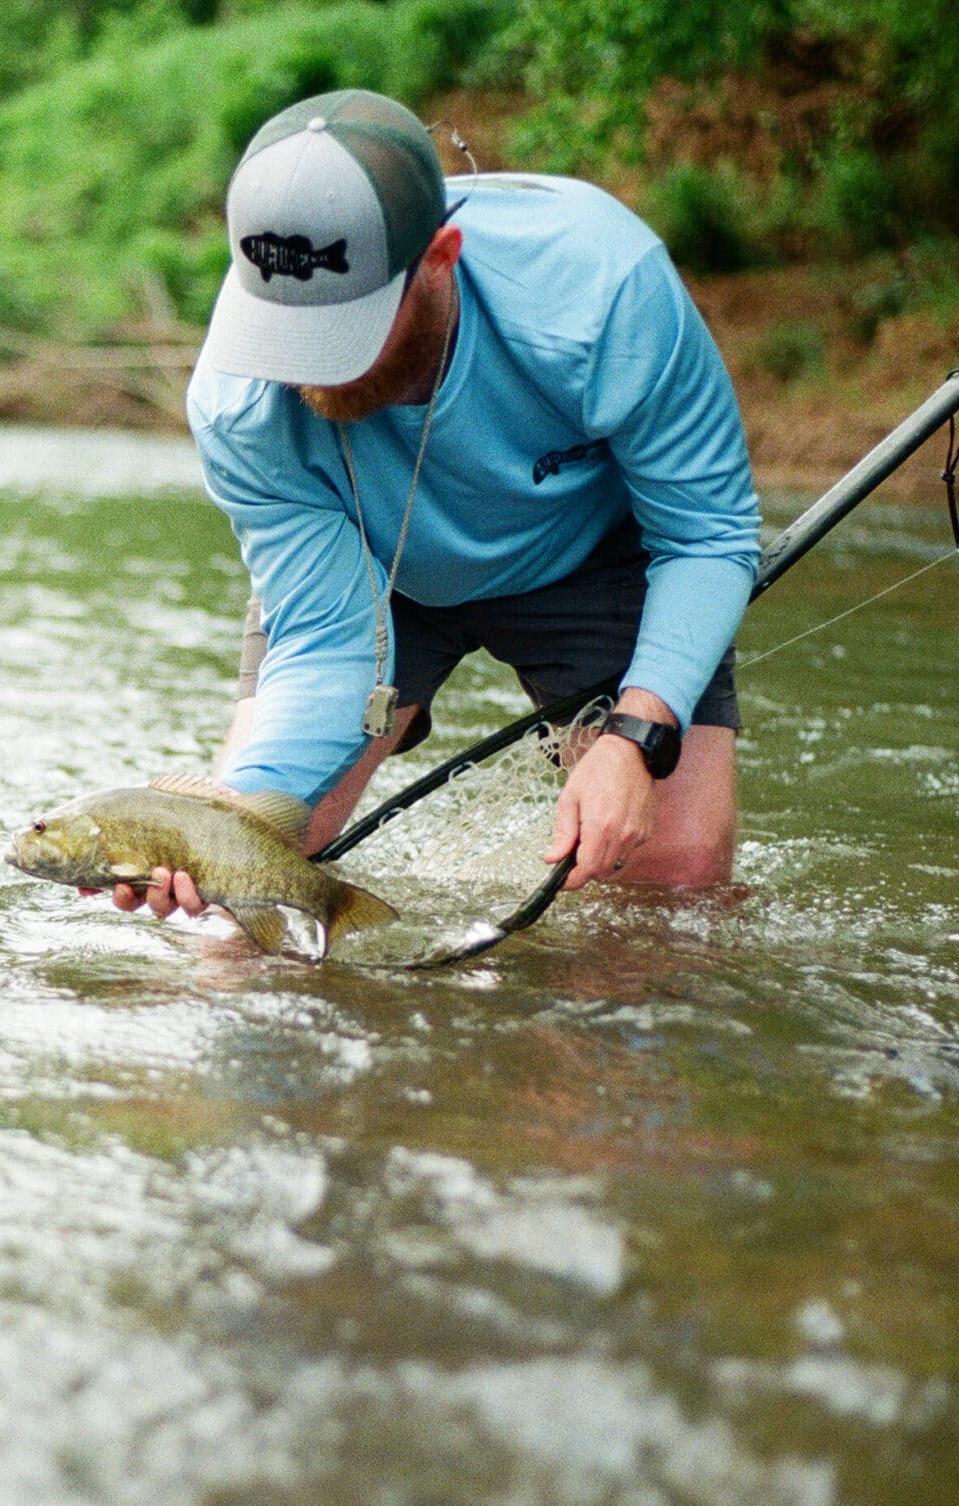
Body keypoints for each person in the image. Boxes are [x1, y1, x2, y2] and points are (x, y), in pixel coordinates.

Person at [114, 90, 759, 928]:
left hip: (591, 553)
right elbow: (320, 639)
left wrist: (639, 735)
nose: (308, 370)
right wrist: (226, 829)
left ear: (440, 256)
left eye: (342, 328)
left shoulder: (601, 291)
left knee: (674, 883)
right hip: (366, 571)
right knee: (247, 885)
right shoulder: (239, 399)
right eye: (287, 329)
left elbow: (706, 533)